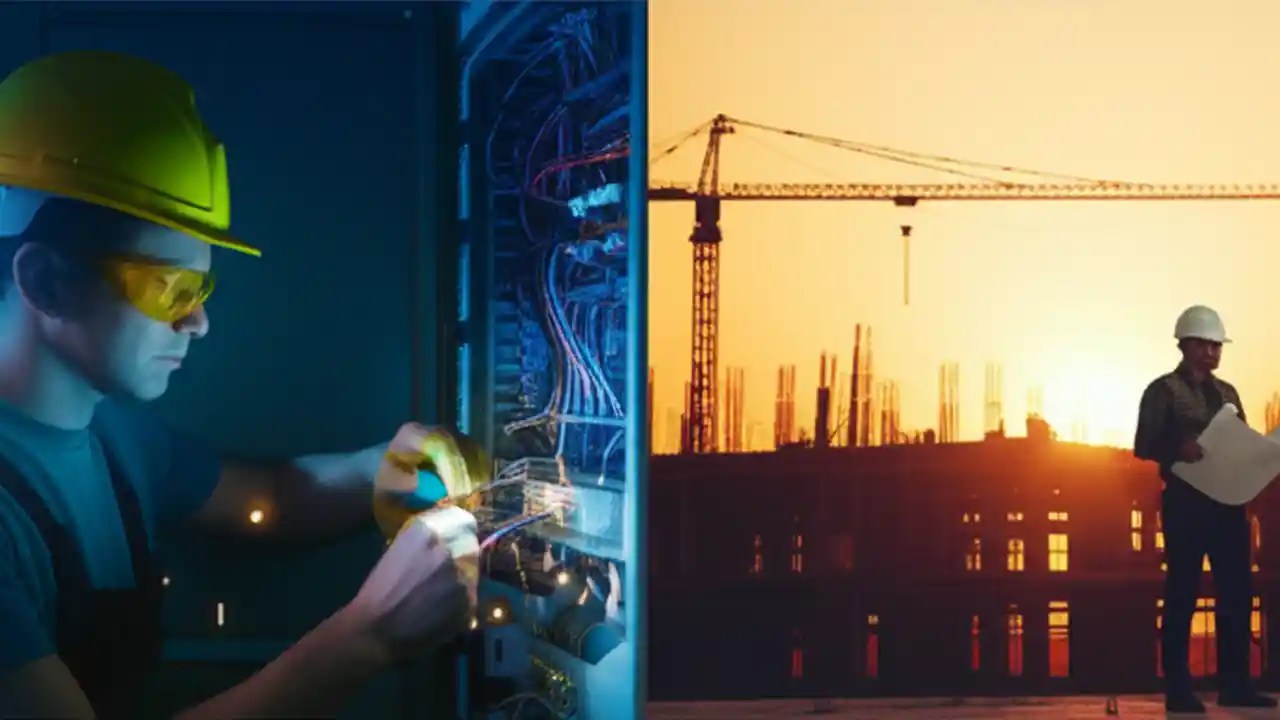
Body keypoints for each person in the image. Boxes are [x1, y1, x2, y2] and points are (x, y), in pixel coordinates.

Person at [0, 52, 478, 718]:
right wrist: (365, 637)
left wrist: (386, 468)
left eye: (204, 287)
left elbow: (270, 499)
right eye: (171, 288)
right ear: (45, 281)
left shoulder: (112, 437)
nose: (198, 321)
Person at [1133, 304, 1277, 713]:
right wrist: (1178, 448)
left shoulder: (1228, 393)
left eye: (1217, 346)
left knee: (1236, 592)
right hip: (1186, 504)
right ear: (1186, 345)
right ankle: (1179, 691)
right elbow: (1144, 445)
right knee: (1183, 592)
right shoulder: (1162, 392)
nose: (1213, 353)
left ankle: (1236, 686)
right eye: (1206, 345)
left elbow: (1241, 441)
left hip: (1228, 504)